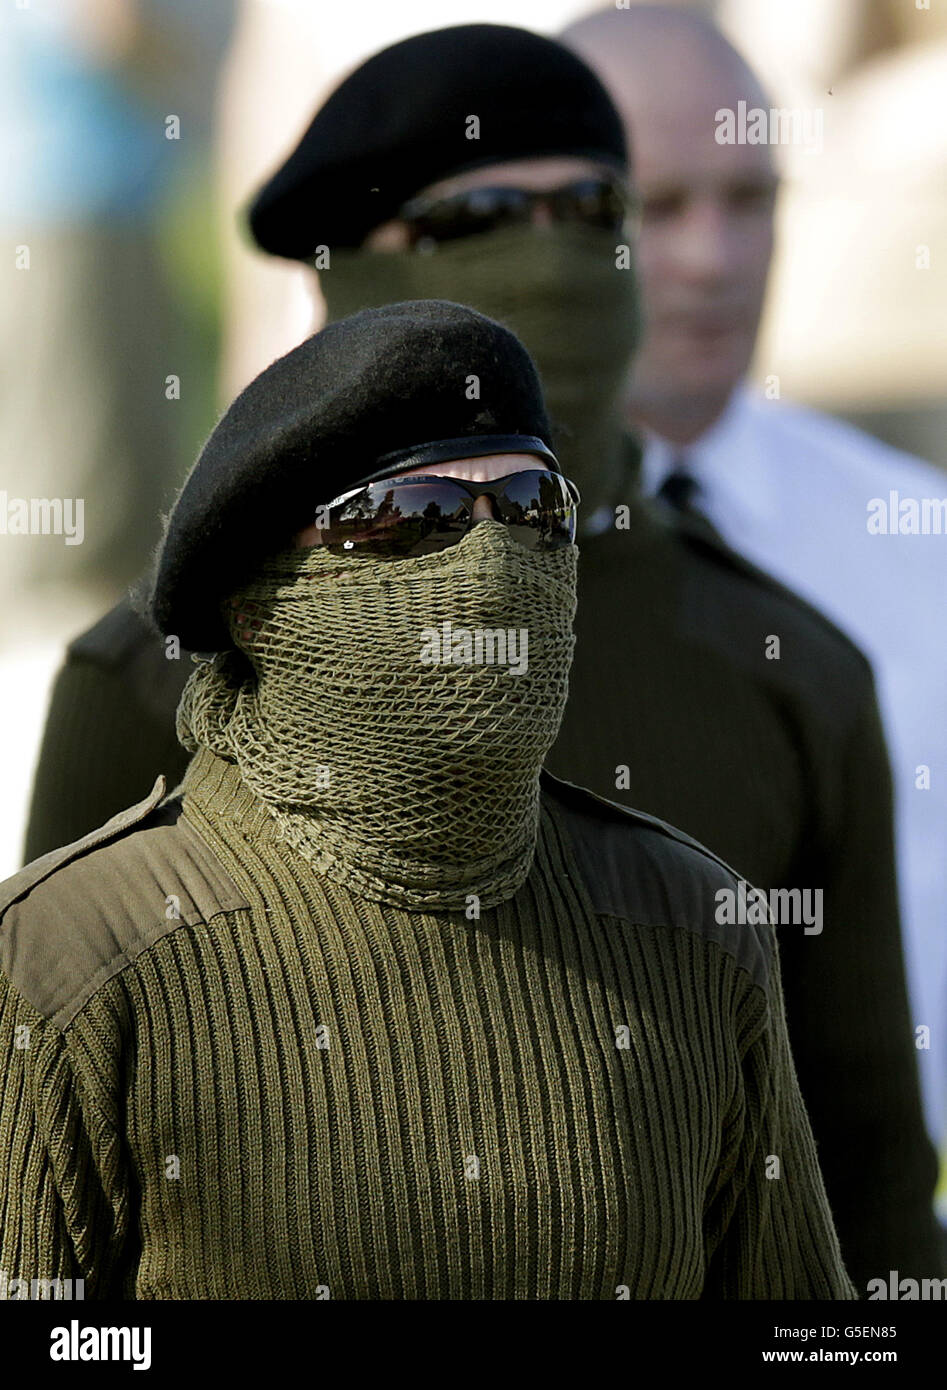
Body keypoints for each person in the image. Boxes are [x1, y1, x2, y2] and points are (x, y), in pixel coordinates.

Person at [20, 22, 942, 1289]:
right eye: (490, 212)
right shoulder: (149, 678)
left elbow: (871, 1197)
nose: (558, 252)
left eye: (593, 206)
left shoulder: (789, 671)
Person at [0, 300, 856, 1300]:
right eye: (416, 517)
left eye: (534, 506)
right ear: (259, 601)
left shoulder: (690, 926)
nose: (492, 562)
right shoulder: (71, 965)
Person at [562, 4, 947, 1162]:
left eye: (748, 201)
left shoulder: (912, 535)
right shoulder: (439, 547)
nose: (709, 260)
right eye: (653, 208)